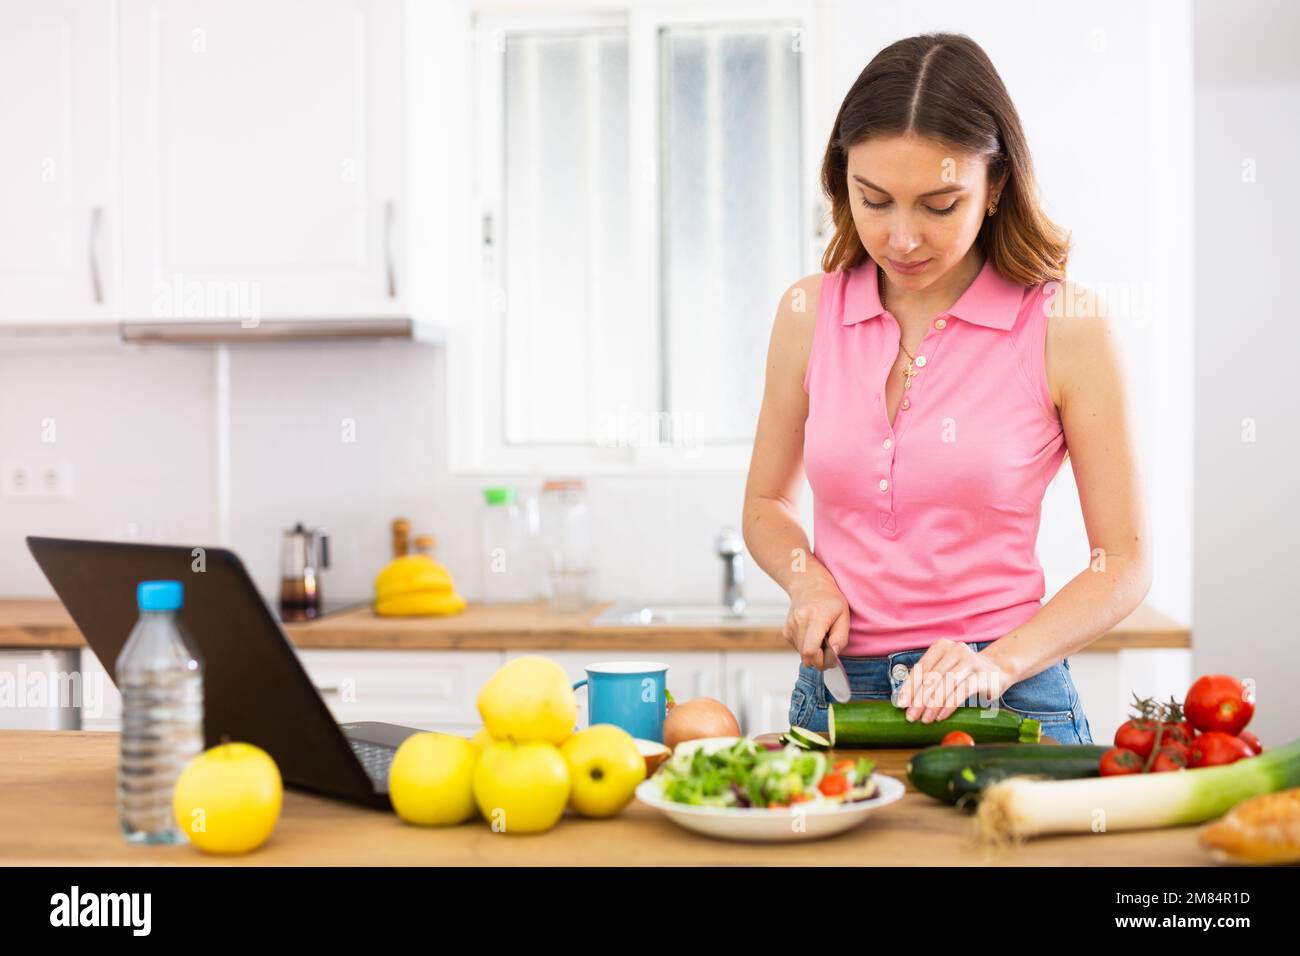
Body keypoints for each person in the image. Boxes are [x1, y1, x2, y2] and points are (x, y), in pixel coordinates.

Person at [741, 33, 1151, 745]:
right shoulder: (807, 314)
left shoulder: (1064, 324)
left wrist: (996, 664)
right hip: (838, 699)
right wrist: (807, 579)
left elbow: (1124, 562)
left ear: (994, 188)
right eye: (874, 200)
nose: (901, 239)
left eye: (938, 204)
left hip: (1009, 700)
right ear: (842, 183)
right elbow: (767, 502)